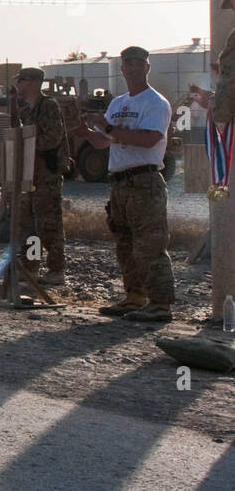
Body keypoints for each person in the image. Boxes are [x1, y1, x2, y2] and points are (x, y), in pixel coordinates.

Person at [75, 46, 175, 322]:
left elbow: (149, 139)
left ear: (147, 68)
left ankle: (160, 304)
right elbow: (106, 142)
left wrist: (105, 128)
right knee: (126, 244)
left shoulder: (155, 102)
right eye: (127, 64)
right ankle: (135, 297)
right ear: (121, 69)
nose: (131, 68)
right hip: (119, 181)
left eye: (137, 64)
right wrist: (89, 133)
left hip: (144, 180)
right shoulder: (118, 103)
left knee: (150, 245)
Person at [14, 68, 69, 287]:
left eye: (23, 80)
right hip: (30, 173)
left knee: (49, 223)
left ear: (36, 82)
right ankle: (31, 265)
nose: (20, 84)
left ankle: (56, 269)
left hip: (46, 172)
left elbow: (52, 139)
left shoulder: (48, 106)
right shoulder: (27, 109)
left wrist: (26, 143)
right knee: (29, 225)